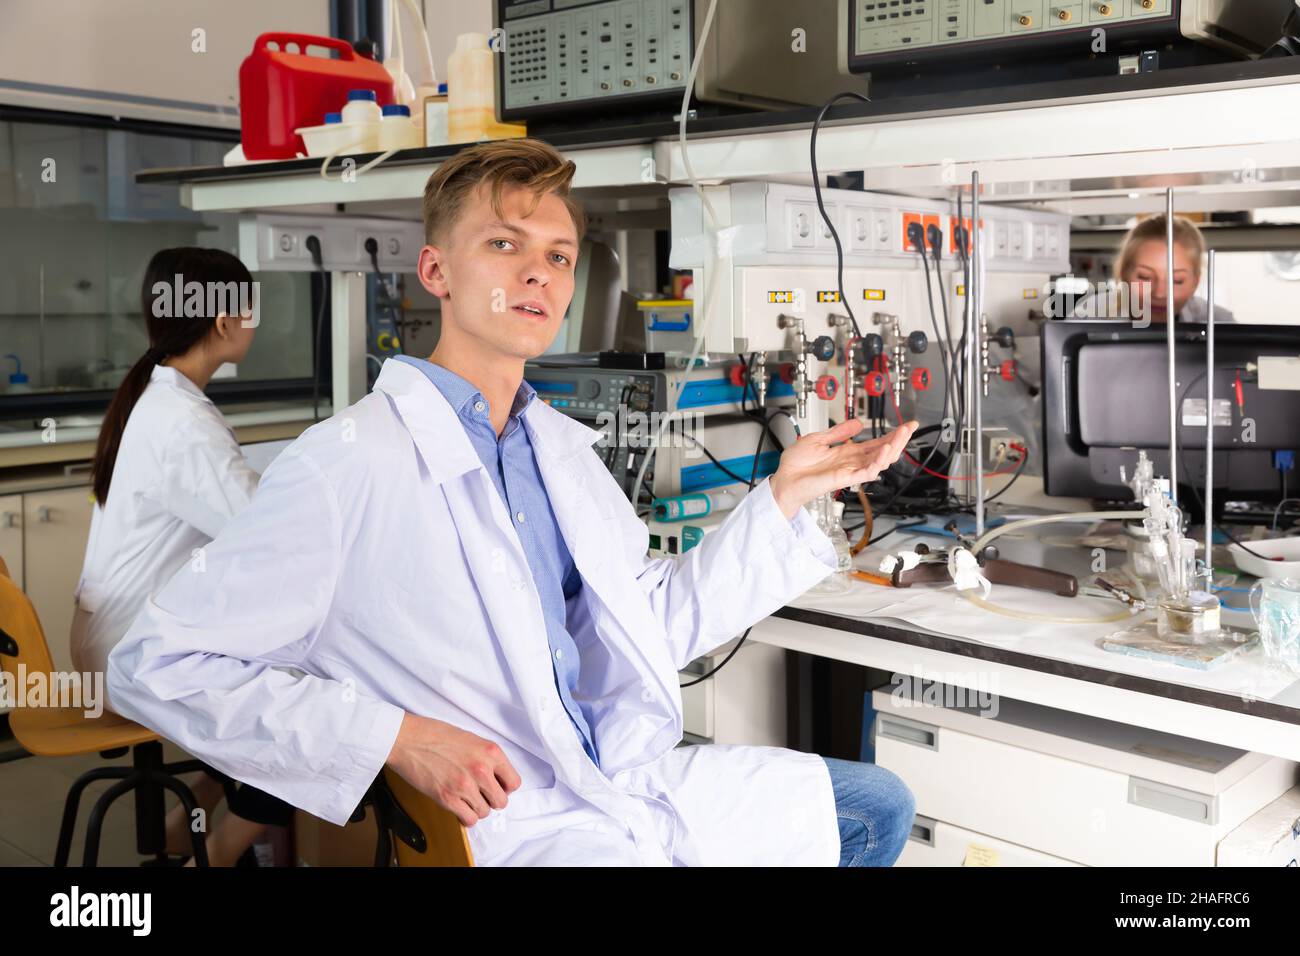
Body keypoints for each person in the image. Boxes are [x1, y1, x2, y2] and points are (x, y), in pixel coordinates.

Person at [107, 140, 919, 867]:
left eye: (560, 256)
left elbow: (647, 621)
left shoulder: (559, 453)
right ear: (436, 273)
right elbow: (157, 665)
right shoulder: (348, 464)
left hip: (608, 774)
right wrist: (397, 739)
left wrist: (782, 497)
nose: (538, 273)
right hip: (510, 821)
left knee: (877, 809)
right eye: (504, 245)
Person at [76, 247, 292, 866]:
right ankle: (210, 859)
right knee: (300, 718)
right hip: (131, 653)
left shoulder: (159, 398)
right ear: (224, 321)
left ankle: (179, 833)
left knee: (281, 688)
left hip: (115, 638)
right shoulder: (181, 419)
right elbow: (262, 530)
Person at [1074, 214, 1233, 325]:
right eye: (1144, 277)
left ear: (1195, 282)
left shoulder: (1219, 322)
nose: (1160, 293)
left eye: (1177, 280)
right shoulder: (1088, 315)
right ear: (1123, 274)